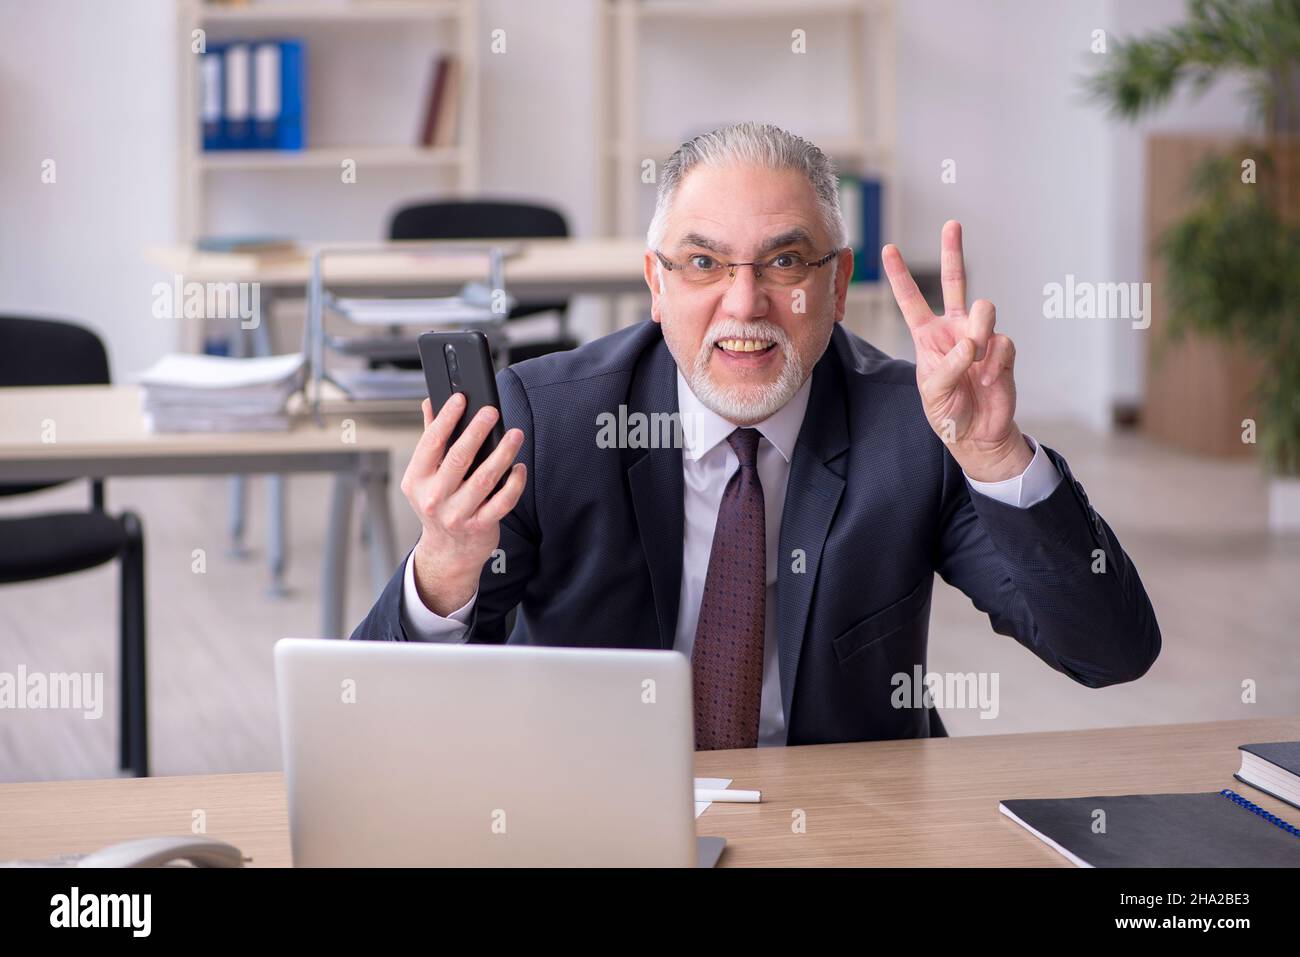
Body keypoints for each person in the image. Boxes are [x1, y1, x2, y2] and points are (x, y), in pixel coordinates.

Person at [350, 122, 1161, 749]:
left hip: (853, 825)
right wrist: (445, 570)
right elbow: (380, 713)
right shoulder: (550, 419)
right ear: (655, 285)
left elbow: (1111, 652)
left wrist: (997, 456)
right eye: (703, 263)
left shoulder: (916, 428)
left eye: (784, 263)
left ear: (838, 285)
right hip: (601, 813)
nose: (744, 305)